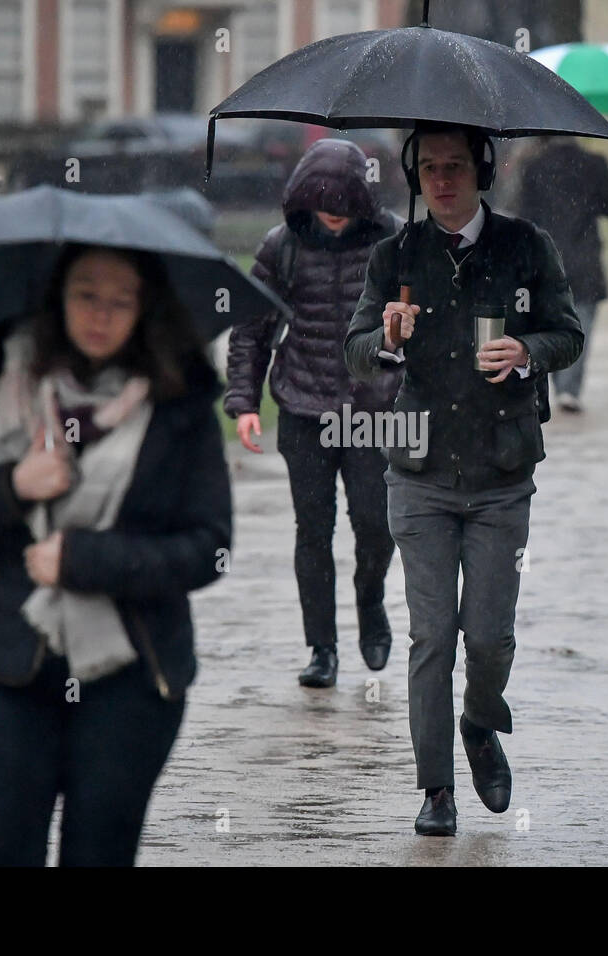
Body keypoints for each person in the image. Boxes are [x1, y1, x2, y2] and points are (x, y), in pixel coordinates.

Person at [0, 243, 232, 865]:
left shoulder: (179, 402)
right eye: (86, 293)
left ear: (146, 309)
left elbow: (208, 548)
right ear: (58, 296)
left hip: (132, 673)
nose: (101, 315)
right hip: (10, 662)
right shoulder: (1, 380)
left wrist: (86, 560)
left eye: (121, 300)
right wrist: (12, 487)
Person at [345, 123, 583, 836]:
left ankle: (481, 723)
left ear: (482, 169)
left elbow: (569, 333)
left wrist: (529, 348)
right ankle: (436, 790)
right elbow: (356, 353)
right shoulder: (395, 256)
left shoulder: (526, 246)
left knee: (489, 639)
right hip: (417, 473)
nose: (442, 181)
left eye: (455, 167)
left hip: (502, 473)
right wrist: (385, 336)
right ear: (415, 177)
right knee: (431, 638)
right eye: (430, 169)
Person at [224, 139, 403, 688]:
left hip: (373, 409)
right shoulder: (281, 246)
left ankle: (370, 603)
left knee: (376, 525)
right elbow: (251, 329)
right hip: (303, 405)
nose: (334, 211)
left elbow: (430, 319)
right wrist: (244, 402)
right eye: (323, 200)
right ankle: (321, 648)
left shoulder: (396, 240)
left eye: (345, 201)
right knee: (313, 530)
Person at [515, 137, 608, 413]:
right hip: (585, 259)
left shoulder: (534, 166)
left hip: (546, 259)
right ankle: (569, 389)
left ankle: (552, 385)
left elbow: (523, 215)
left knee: (548, 324)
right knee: (581, 324)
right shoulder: (595, 164)